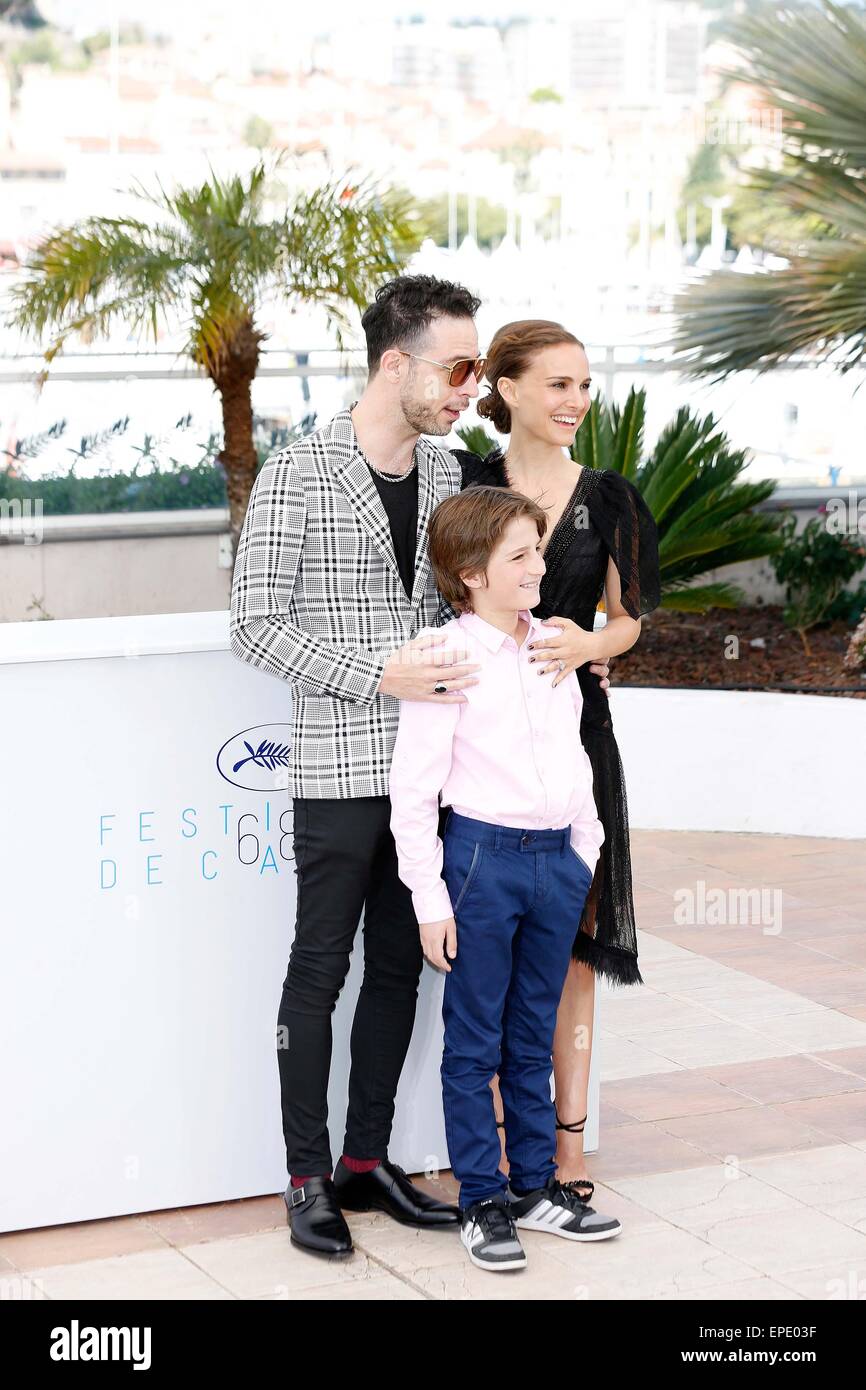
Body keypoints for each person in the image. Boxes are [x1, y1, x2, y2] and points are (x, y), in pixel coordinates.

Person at [229, 275, 491, 1257]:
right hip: (338, 767)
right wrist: (375, 672)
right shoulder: (298, 474)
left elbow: (468, 606)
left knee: (398, 971)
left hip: (429, 775)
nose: (468, 386)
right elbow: (255, 628)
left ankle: (365, 1161)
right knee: (319, 970)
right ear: (396, 363)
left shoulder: (453, 469)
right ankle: (305, 1178)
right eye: (457, 367)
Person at [451, 320, 661, 1201]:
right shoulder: (463, 483)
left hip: (580, 740)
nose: (576, 401)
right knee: (490, 953)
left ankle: (566, 1154)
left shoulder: (611, 498)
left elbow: (631, 621)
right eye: (558, 384)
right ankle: (500, 1155)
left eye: (584, 385)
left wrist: (589, 645)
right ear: (506, 390)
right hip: (482, 744)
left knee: (573, 957)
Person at [389, 485, 622, 1271]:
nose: (539, 566)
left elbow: (572, 752)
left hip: (558, 858)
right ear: (470, 574)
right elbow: (415, 793)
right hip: (483, 862)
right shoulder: (446, 659)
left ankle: (533, 1187)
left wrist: (584, 848)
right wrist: (430, 901)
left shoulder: (554, 641)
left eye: (539, 549)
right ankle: (482, 1201)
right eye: (519, 555)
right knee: (475, 1038)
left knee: (532, 1033)